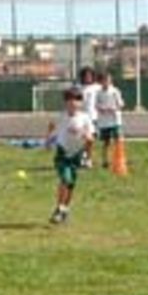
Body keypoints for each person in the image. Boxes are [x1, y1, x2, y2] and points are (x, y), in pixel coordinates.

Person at [44, 87, 95, 224]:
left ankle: (65, 209)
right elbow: (51, 125)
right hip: (62, 152)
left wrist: (88, 156)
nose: (73, 103)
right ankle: (59, 209)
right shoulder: (61, 116)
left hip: (76, 154)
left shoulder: (85, 118)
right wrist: (48, 140)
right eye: (69, 100)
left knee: (71, 184)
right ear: (65, 102)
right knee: (65, 179)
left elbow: (90, 139)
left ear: (80, 102)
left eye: (76, 100)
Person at [93, 70, 125, 169]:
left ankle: (118, 160)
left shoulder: (115, 91)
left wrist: (114, 109)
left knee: (118, 140)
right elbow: (96, 105)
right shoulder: (98, 93)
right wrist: (101, 109)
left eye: (108, 80)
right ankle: (105, 161)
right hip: (104, 122)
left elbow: (121, 104)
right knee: (106, 142)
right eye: (104, 80)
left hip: (115, 121)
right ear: (101, 82)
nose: (106, 82)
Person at [77, 66, 101, 168]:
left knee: (90, 140)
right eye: (86, 76)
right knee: (81, 139)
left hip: (93, 117)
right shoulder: (78, 88)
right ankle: (82, 158)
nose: (88, 78)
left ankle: (88, 159)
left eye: (90, 76)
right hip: (81, 118)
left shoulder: (97, 87)